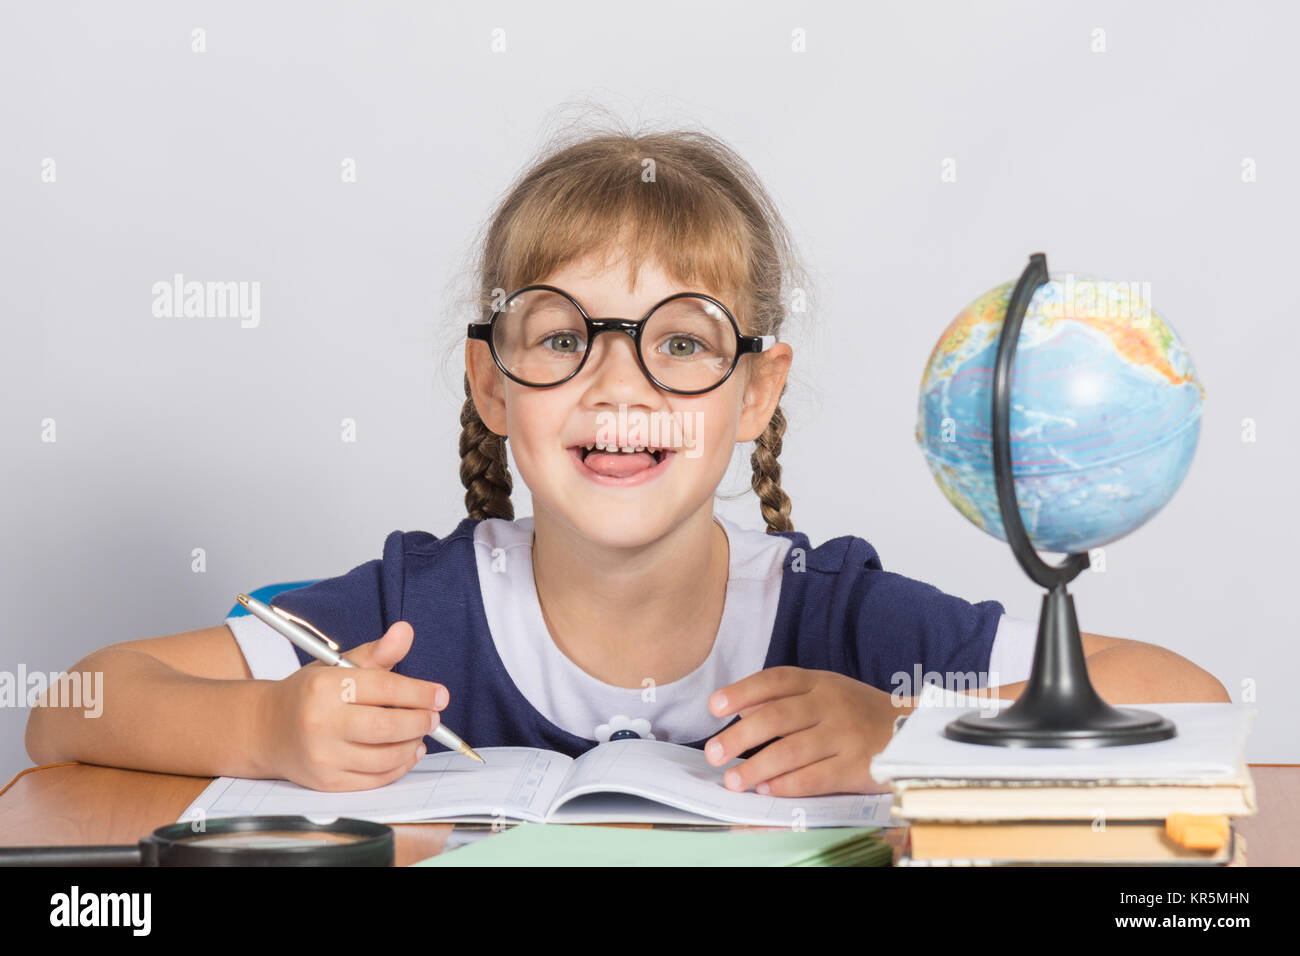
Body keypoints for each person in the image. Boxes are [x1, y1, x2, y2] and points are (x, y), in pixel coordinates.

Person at [25, 120, 1229, 796]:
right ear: (491, 381)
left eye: (681, 345)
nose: (618, 387)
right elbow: (70, 704)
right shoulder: (413, 606)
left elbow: (1190, 698)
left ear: (757, 391)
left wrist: (904, 730)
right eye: (561, 336)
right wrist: (265, 730)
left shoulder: (837, 619)